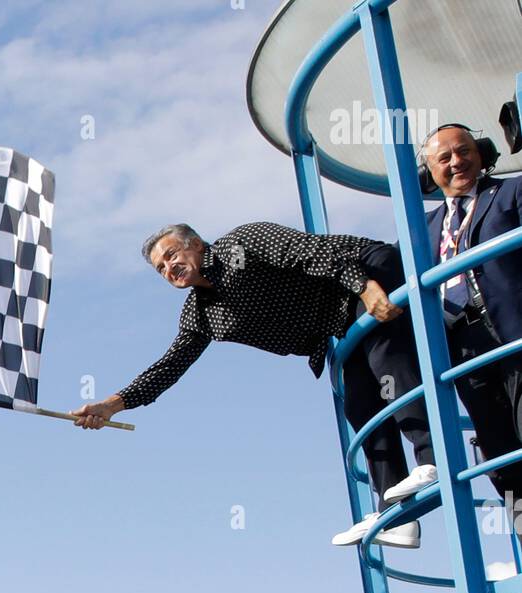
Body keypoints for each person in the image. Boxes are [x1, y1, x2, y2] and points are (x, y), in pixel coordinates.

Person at [72, 221, 433, 548]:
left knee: (386, 364)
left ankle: (432, 459)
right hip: (338, 316)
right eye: (161, 268)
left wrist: (365, 286)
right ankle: (396, 514)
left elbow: (313, 253)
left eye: (172, 255)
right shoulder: (199, 314)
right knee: (359, 404)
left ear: (196, 244)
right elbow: (169, 366)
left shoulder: (240, 245)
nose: (170, 268)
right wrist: (111, 405)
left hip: (364, 269)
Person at [385, 123, 522, 515]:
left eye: (464, 151)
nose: (456, 161)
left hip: (514, 329)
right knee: (500, 452)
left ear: (482, 154)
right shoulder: (421, 230)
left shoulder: (512, 191)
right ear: (430, 171)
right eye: (444, 158)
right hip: (463, 347)